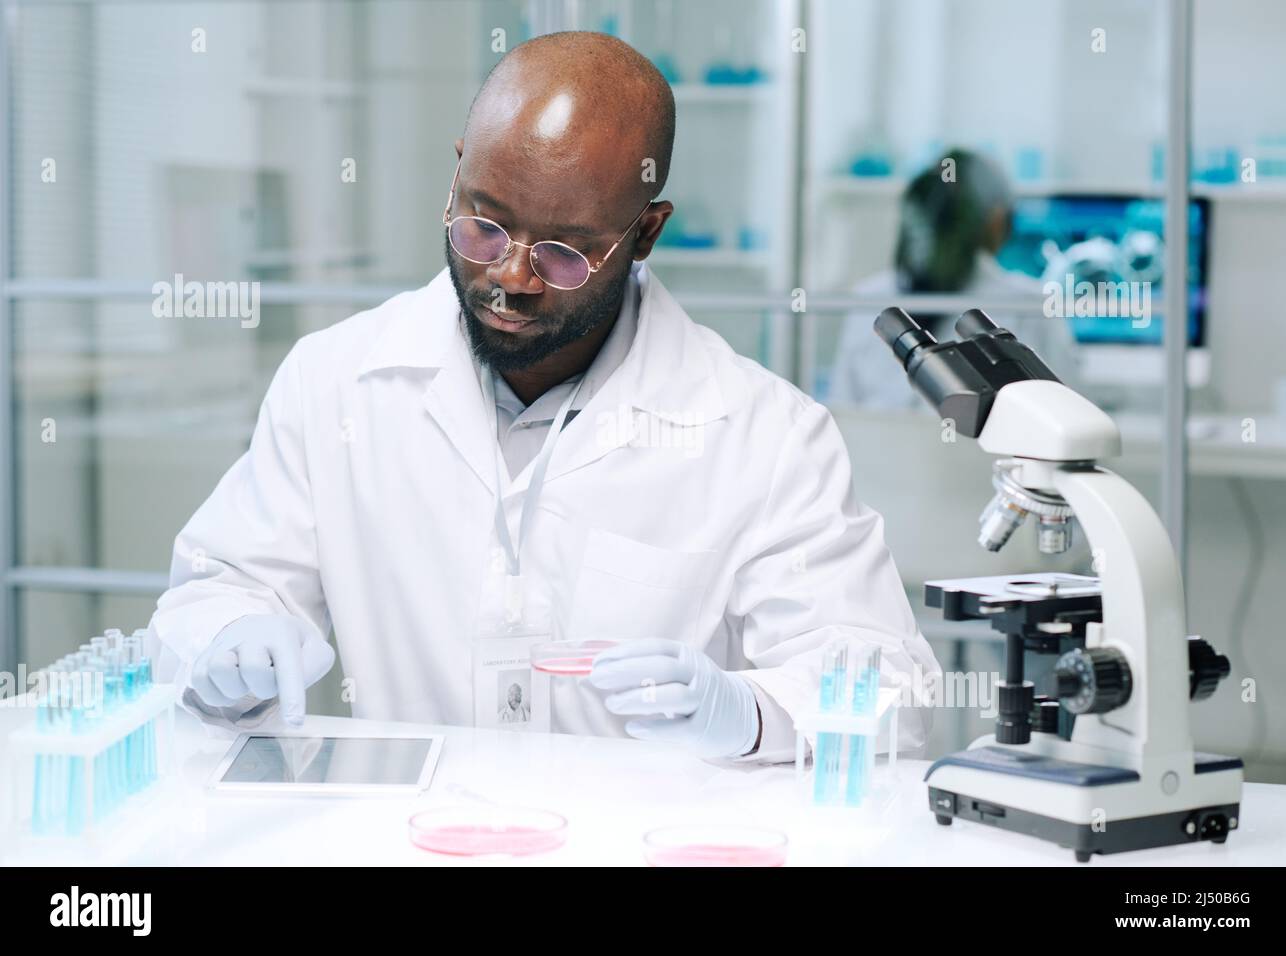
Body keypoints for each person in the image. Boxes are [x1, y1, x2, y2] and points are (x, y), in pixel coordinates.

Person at [150, 31, 940, 763]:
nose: (511, 277)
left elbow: (895, 692)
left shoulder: (765, 434)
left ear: (645, 234)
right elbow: (222, 587)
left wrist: (753, 712)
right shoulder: (334, 384)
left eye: (565, 253)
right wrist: (228, 636)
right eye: (484, 227)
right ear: (457, 173)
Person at [828, 149, 1077, 407]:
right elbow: (1072, 413)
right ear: (997, 220)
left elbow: (843, 413)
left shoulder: (869, 300)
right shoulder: (1028, 305)